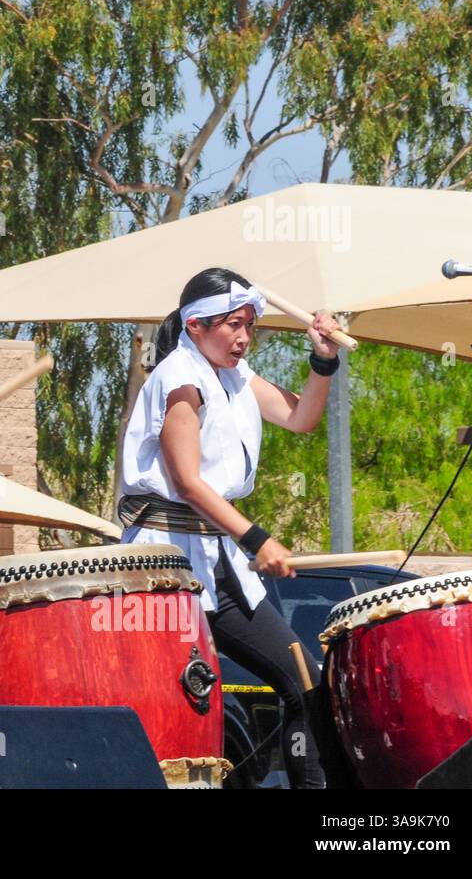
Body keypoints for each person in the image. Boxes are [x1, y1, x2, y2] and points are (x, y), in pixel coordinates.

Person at [118, 267, 341, 788]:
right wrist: (257, 539)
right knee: (174, 701)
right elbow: (188, 481)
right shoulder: (179, 378)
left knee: (308, 683)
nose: (243, 338)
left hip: (220, 562)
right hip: (165, 566)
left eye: (248, 326)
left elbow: (301, 417)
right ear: (196, 326)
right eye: (231, 325)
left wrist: (323, 361)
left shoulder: (236, 377)